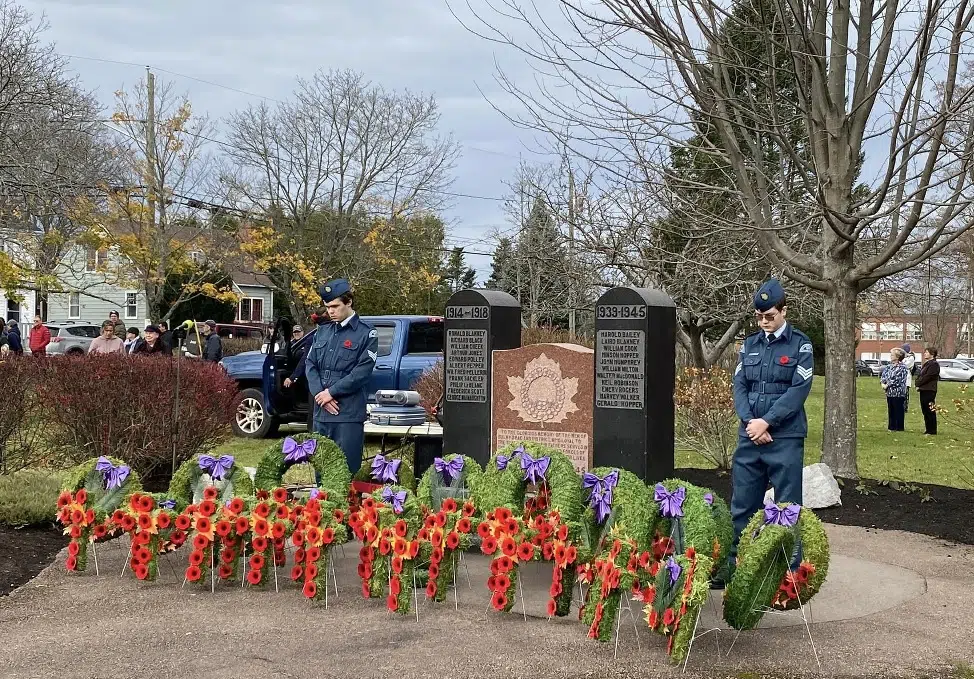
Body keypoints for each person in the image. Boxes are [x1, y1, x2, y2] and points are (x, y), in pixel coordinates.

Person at [725, 279, 813, 586]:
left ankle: (786, 573)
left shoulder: (800, 345)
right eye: (759, 316)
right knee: (743, 505)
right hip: (750, 436)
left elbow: (798, 390)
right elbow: (740, 387)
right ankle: (736, 567)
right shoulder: (749, 344)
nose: (764, 321)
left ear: (783, 311)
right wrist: (752, 423)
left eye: (770, 316)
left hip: (784, 438)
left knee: (786, 508)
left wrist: (768, 422)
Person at [305, 279, 378, 473]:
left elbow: (361, 372)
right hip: (322, 412)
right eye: (328, 307)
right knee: (322, 468)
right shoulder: (323, 331)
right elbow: (310, 364)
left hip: (348, 413)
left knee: (345, 470)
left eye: (335, 306)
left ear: (349, 302)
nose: (330, 311)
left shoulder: (366, 333)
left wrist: (332, 392)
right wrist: (321, 394)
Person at [880, 347, 909, 431]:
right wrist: (883, 383)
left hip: (898, 392)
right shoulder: (889, 366)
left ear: (898, 356)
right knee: (891, 410)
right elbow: (884, 376)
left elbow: (898, 379)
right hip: (889, 392)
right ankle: (891, 426)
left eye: (892, 355)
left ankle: (899, 427)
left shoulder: (903, 367)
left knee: (898, 410)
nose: (891, 356)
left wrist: (888, 384)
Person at [915, 347, 941, 435]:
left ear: (932, 354)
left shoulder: (934, 364)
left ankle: (932, 430)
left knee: (930, 410)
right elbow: (920, 375)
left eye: (926, 352)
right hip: (923, 389)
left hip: (929, 390)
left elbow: (928, 376)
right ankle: (928, 429)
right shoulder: (926, 364)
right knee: (925, 410)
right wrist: (918, 383)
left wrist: (919, 383)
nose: (924, 354)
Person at [283, 324, 309, 389]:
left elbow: (304, 360)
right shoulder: (290, 344)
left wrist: (293, 377)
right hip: (292, 371)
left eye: (298, 332)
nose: (297, 334)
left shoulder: (307, 343)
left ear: (303, 332)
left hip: (303, 372)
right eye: (295, 332)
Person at [901, 344, 916, 413]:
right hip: (900, 377)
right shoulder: (903, 357)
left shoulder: (911, 357)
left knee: (905, 394)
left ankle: (905, 408)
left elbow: (905, 365)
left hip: (906, 377)